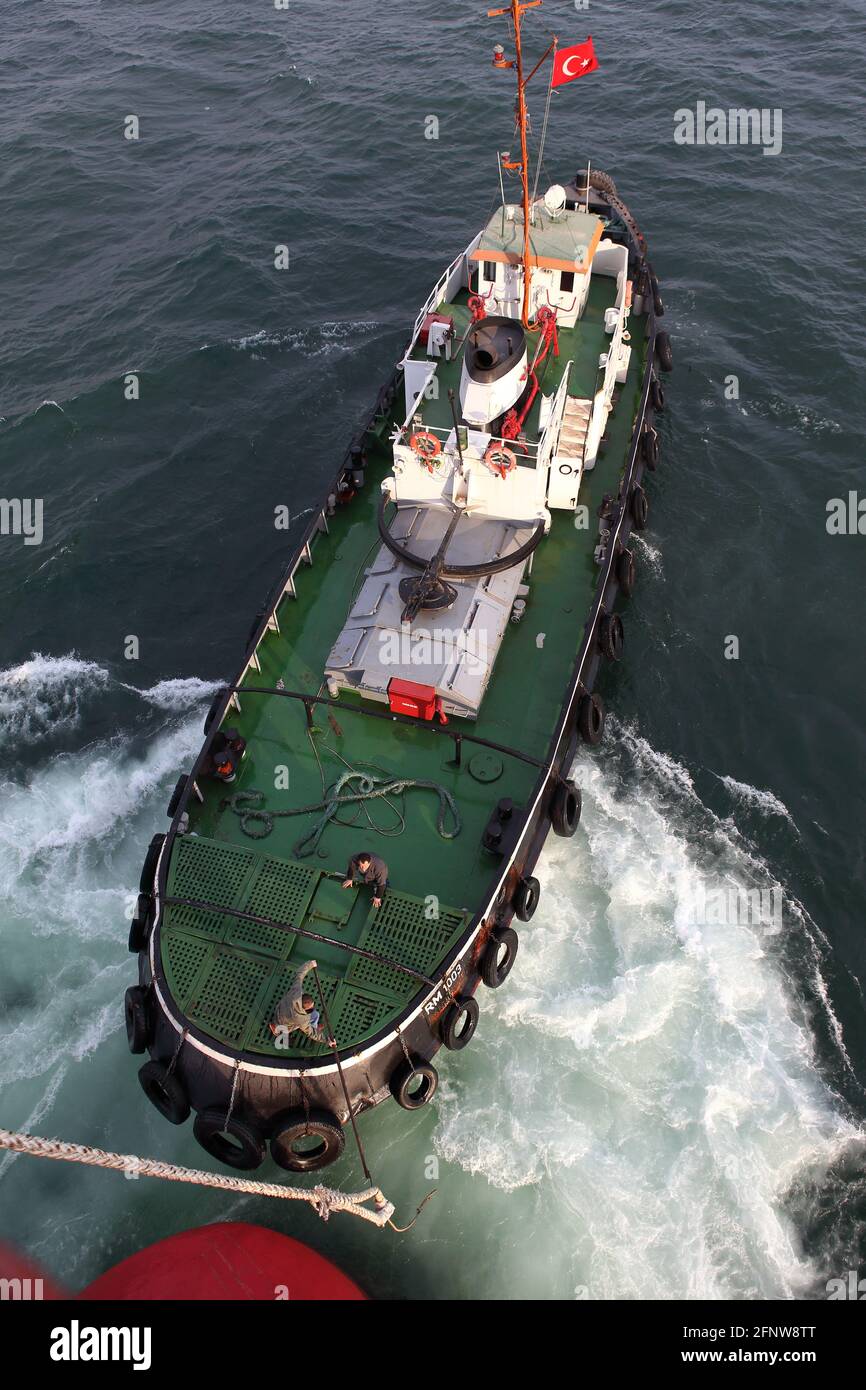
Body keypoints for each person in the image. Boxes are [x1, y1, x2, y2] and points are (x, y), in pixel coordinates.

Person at [268, 959, 333, 1046]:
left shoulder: (296, 991)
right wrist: (327, 1040)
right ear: (303, 1008)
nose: (311, 1009)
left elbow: (299, 974)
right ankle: (277, 1030)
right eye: (309, 1010)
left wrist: (310, 964)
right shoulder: (301, 1019)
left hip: (280, 1009)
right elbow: (311, 1033)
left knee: (315, 1014)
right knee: (314, 1017)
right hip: (284, 1023)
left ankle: (277, 1025)